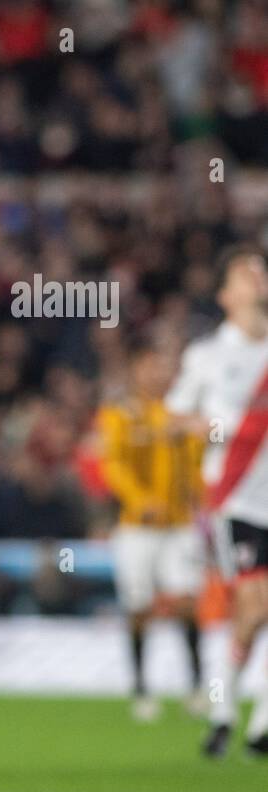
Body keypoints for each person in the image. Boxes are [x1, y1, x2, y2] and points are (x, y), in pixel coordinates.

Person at [166, 246, 268, 757]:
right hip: (238, 499)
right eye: (246, 274)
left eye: (261, 271)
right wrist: (208, 427)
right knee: (252, 606)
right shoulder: (208, 355)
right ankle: (225, 705)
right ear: (227, 295)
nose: (258, 277)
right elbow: (174, 416)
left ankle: (255, 724)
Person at [98, 341, 205, 721]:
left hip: (178, 526)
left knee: (187, 602)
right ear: (136, 371)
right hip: (137, 529)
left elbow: (198, 463)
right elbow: (113, 467)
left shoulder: (182, 414)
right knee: (139, 606)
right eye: (150, 367)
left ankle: (196, 686)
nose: (158, 374)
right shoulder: (120, 416)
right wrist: (140, 499)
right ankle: (141, 688)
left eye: (163, 367)